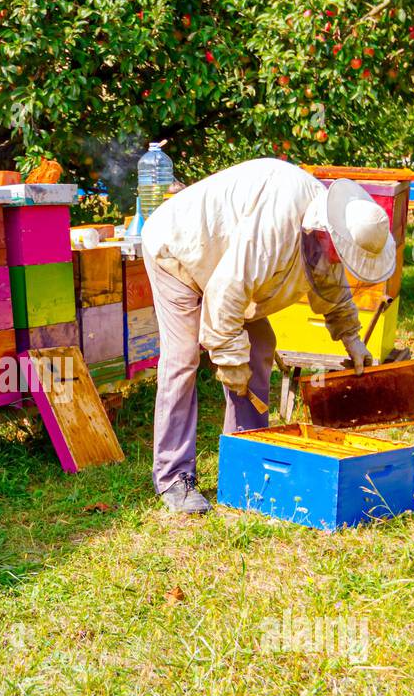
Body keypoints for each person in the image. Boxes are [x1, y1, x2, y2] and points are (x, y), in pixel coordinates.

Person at [140, 158, 396, 514]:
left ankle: (247, 459)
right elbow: (227, 292)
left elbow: (329, 281)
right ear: (328, 232)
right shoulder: (277, 223)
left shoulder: (326, 229)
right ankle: (173, 477)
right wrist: (229, 362)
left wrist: (352, 337)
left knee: (260, 346)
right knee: (183, 358)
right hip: (178, 251)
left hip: (224, 265)